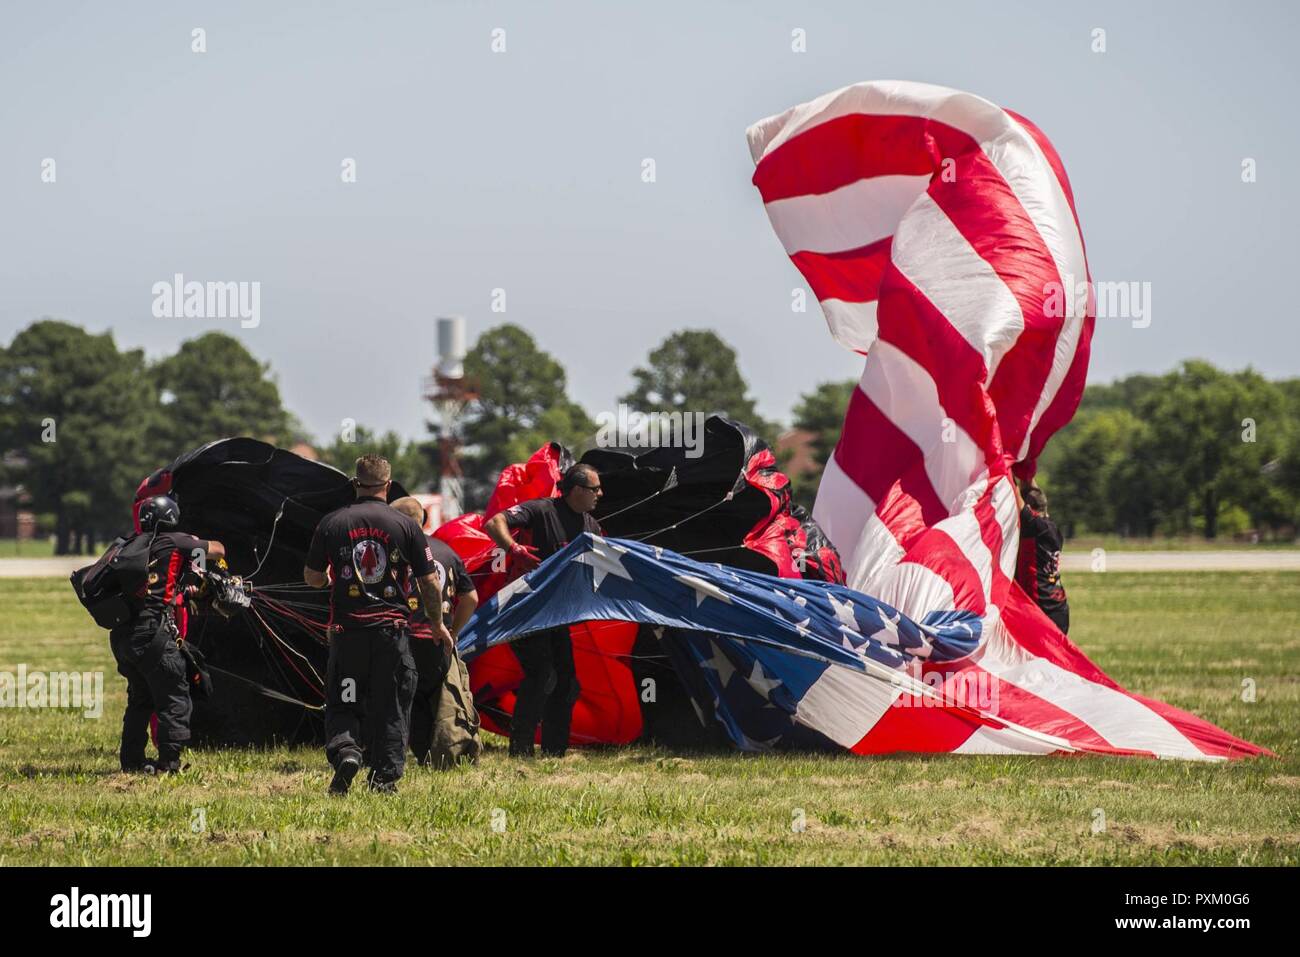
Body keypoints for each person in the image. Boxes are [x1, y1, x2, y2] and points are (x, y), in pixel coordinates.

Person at [304, 455, 449, 795]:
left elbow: (311, 577)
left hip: (348, 634)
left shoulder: (332, 523)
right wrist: (437, 623)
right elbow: (430, 582)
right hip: (391, 635)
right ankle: (384, 779)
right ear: (388, 484)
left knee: (345, 698)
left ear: (355, 484)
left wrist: (327, 579)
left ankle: (347, 751)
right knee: (392, 706)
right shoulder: (406, 525)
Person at [484, 463, 603, 757]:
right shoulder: (540, 510)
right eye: (594, 488)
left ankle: (554, 752)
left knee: (566, 682)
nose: (600, 493)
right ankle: (520, 749)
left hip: (558, 615)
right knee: (542, 675)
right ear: (576, 490)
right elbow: (494, 523)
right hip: (525, 609)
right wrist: (515, 550)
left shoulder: (591, 525)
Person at [110, 495, 225, 774]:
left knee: (141, 698)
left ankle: (132, 762)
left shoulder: (129, 545)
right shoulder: (174, 541)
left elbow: (155, 591)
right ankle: (169, 764)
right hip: (151, 634)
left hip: (122, 637)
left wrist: (186, 592)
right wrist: (194, 540)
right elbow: (219, 550)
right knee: (174, 695)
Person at [390, 496, 479, 765]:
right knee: (434, 696)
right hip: (437, 639)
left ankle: (411, 754)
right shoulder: (447, 551)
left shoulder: (393, 551)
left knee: (405, 697)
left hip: (402, 637)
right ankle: (436, 754)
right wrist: (453, 629)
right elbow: (471, 597)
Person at [1015, 480, 1070, 634]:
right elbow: (1037, 496)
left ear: (1029, 508)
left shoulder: (1034, 526)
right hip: (1059, 607)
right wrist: (1026, 470)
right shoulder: (1052, 528)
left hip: (1040, 608)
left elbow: (1015, 495)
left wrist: (1006, 468)